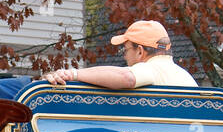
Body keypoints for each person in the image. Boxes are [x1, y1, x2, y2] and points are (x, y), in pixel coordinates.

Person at [43, 19, 197, 89]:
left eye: (126, 49)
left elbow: (126, 78)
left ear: (140, 51)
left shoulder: (152, 69)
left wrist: (72, 75)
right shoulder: (185, 77)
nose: (124, 56)